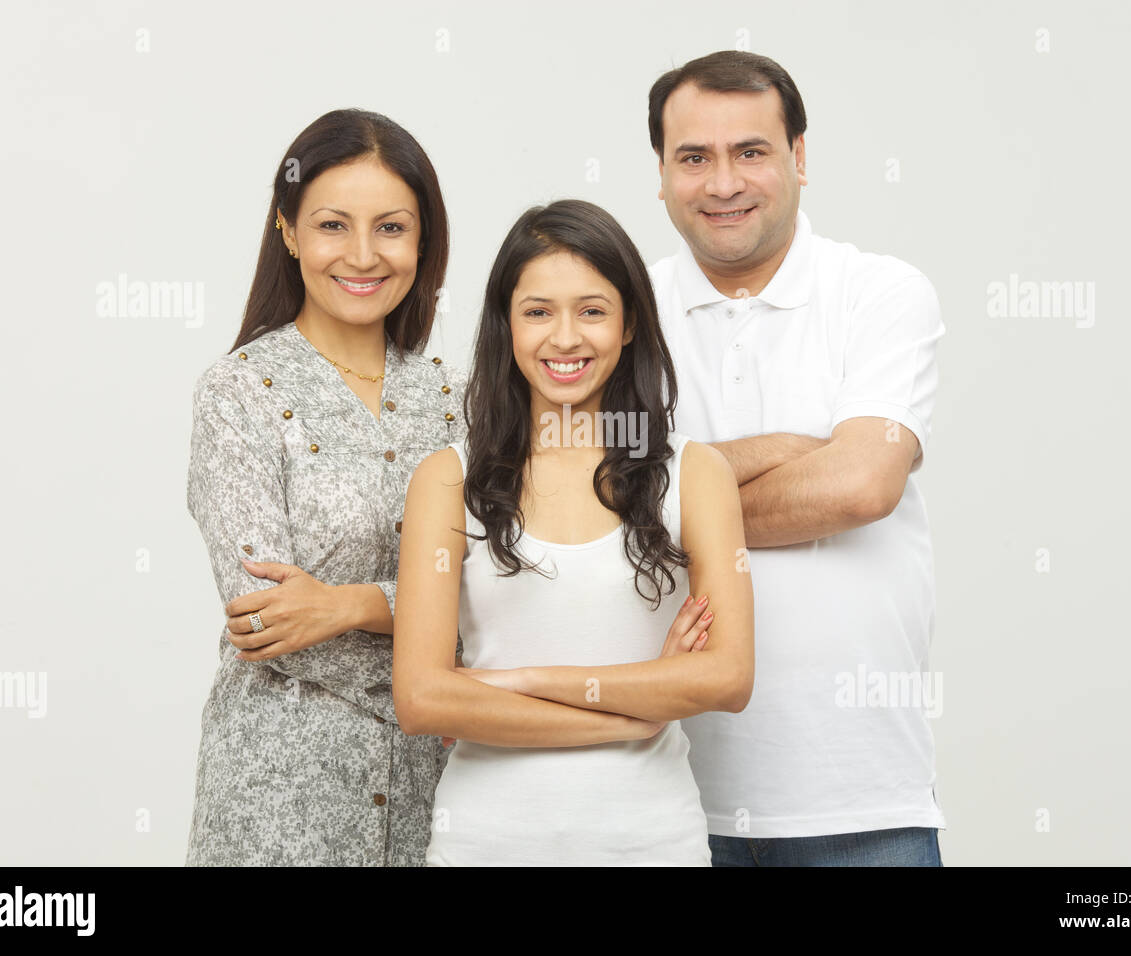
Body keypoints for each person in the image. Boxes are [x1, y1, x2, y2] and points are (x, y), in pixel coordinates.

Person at [646, 51, 948, 866]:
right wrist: (786, 452)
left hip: (861, 802)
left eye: (750, 151)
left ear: (800, 158)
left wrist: (670, 506)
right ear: (663, 173)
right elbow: (579, 507)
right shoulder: (619, 314)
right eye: (694, 158)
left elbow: (859, 485)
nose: (723, 183)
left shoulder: (880, 294)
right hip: (662, 803)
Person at [392, 199, 754, 866]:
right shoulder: (445, 480)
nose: (565, 338)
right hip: (484, 846)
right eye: (537, 312)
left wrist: (510, 680)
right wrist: (642, 705)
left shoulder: (696, 474)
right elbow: (421, 698)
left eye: (592, 310)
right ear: (506, 323)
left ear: (628, 324)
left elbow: (728, 677)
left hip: (651, 845)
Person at [184, 108, 466, 866]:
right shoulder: (237, 395)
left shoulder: (459, 401)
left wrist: (345, 605)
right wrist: (439, 656)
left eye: (392, 228)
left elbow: (507, 582)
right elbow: (266, 619)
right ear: (288, 230)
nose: (364, 255)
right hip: (280, 793)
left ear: (423, 239)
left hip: (439, 790)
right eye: (334, 225)